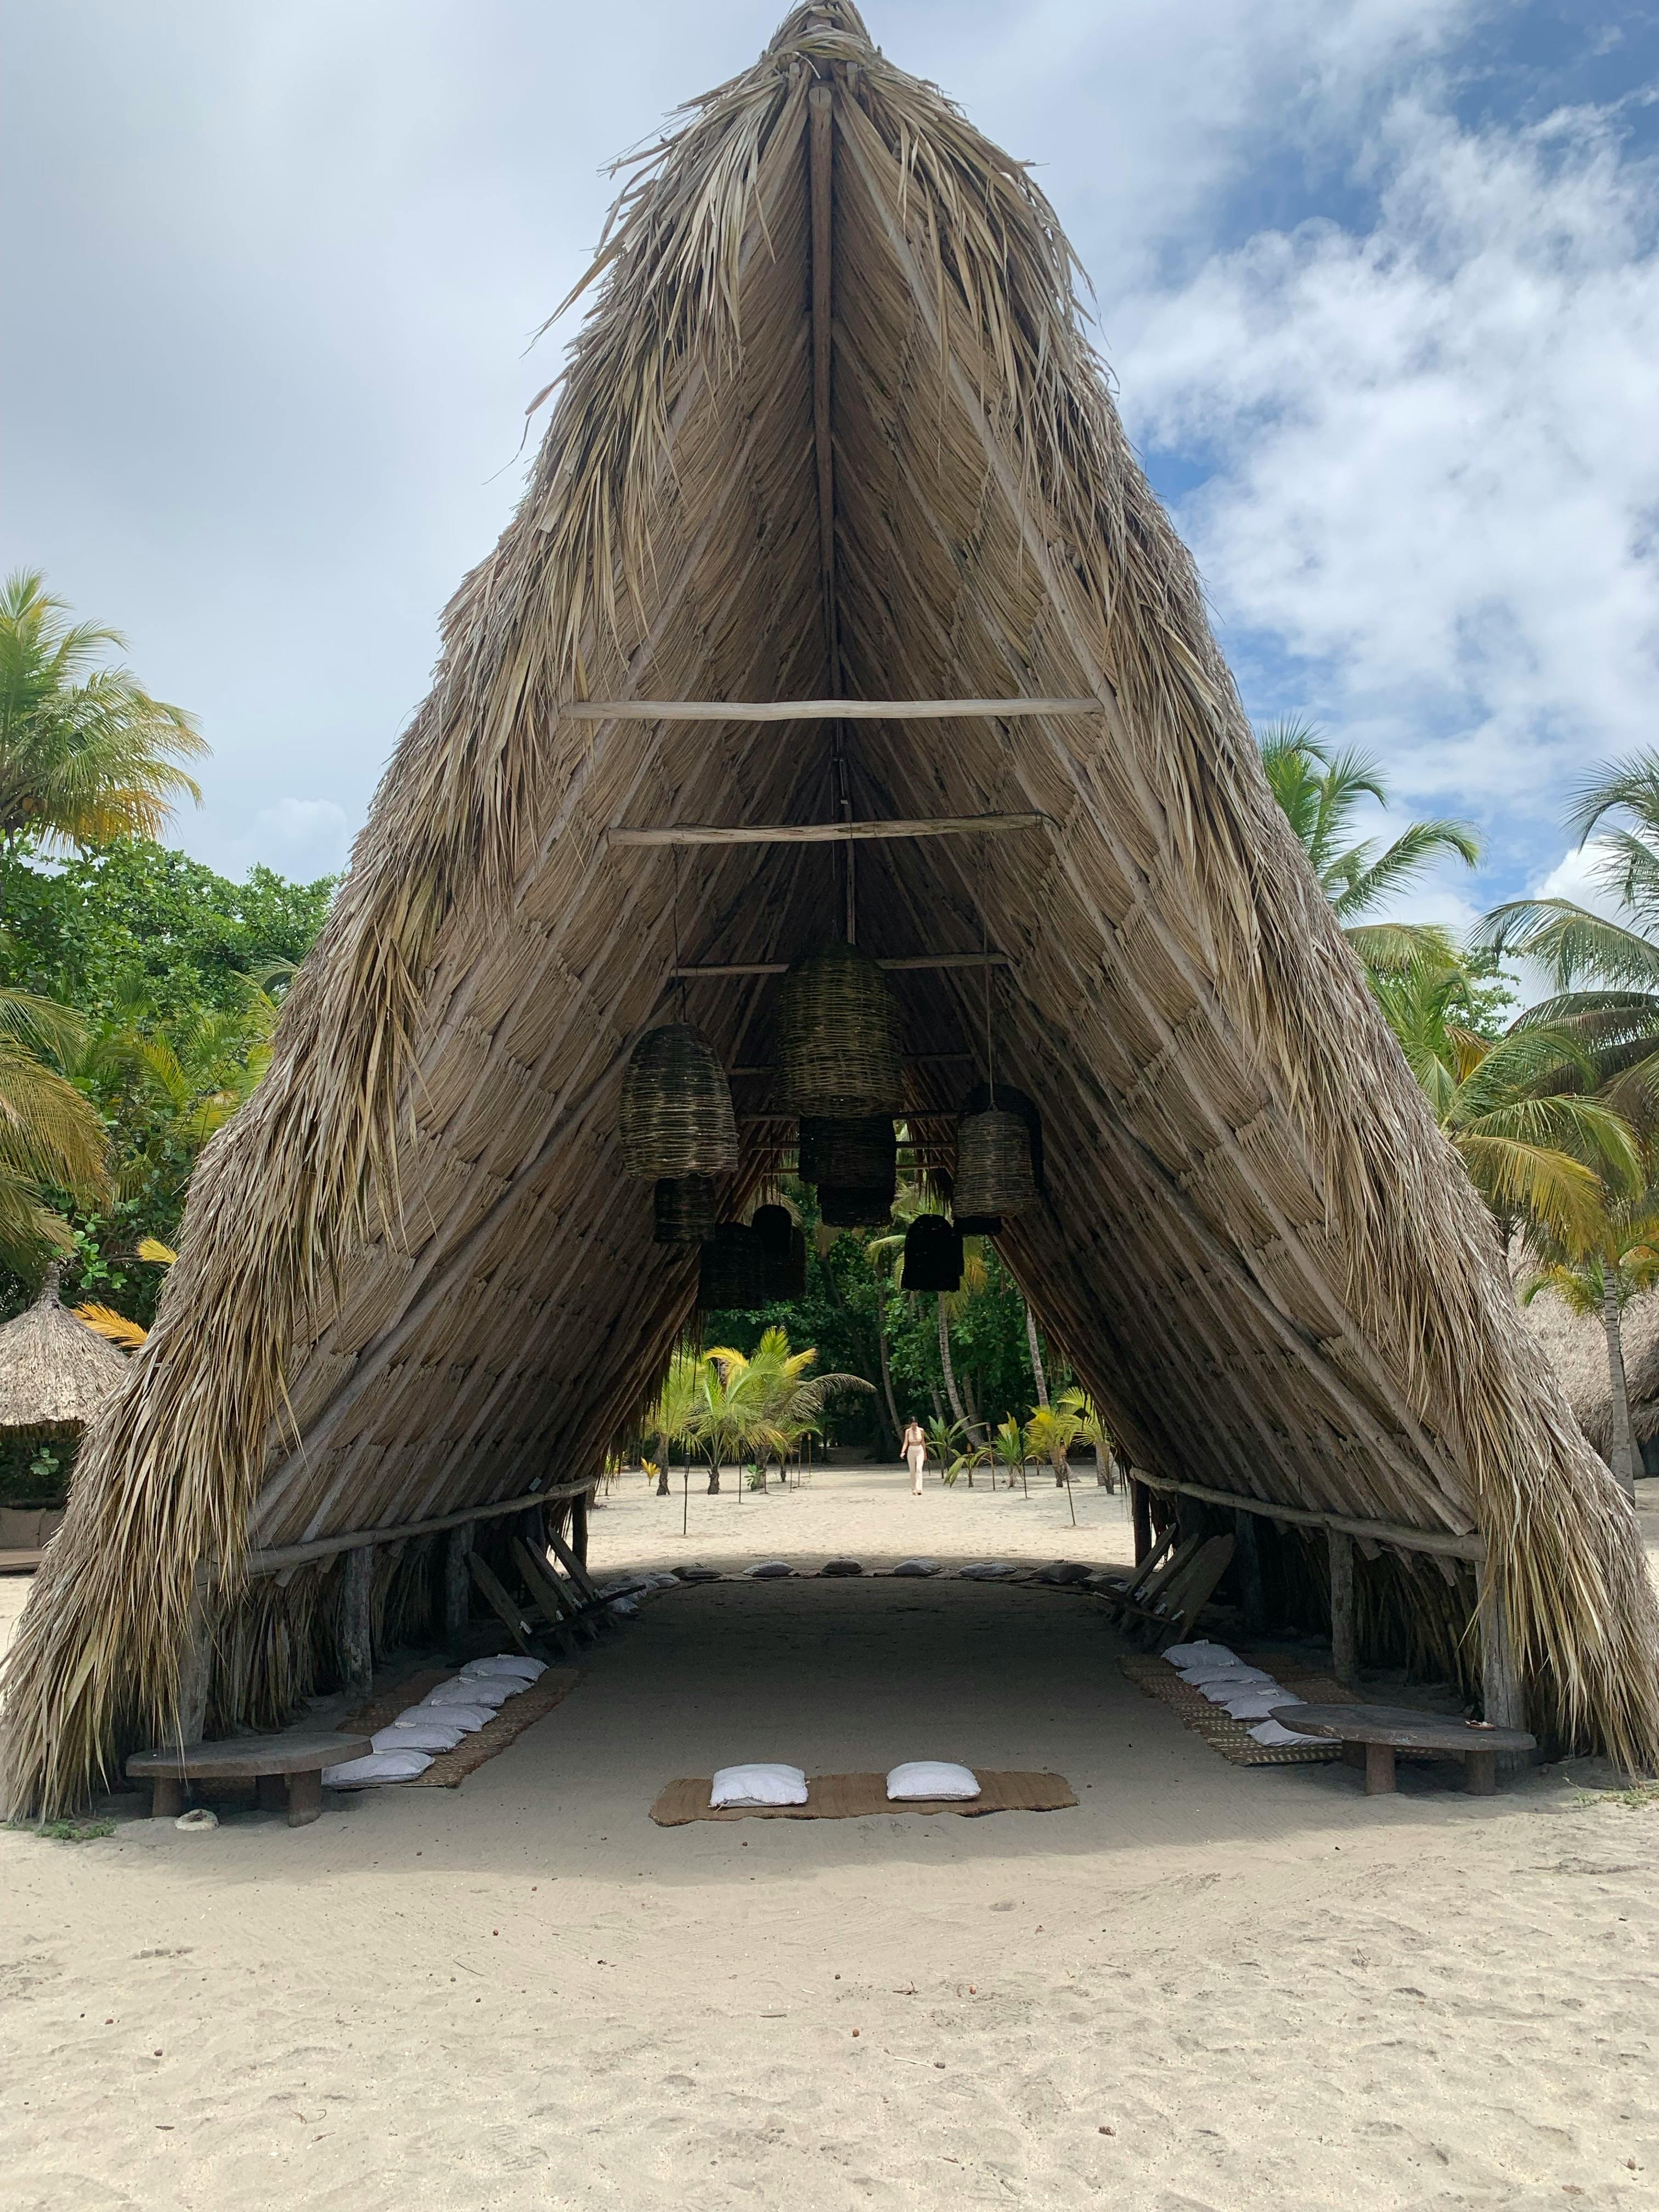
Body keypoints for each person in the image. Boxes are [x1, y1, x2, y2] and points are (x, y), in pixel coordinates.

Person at [901, 1417, 928, 1497]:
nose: (914, 1427)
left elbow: (923, 1441)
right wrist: (903, 1452)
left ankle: (919, 1489)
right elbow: (906, 1442)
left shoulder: (921, 1430)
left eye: (915, 1425)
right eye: (913, 1425)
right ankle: (914, 1489)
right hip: (911, 1450)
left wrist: (925, 1453)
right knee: (912, 1470)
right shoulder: (908, 1431)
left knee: (919, 1469)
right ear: (910, 1425)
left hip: (919, 1449)